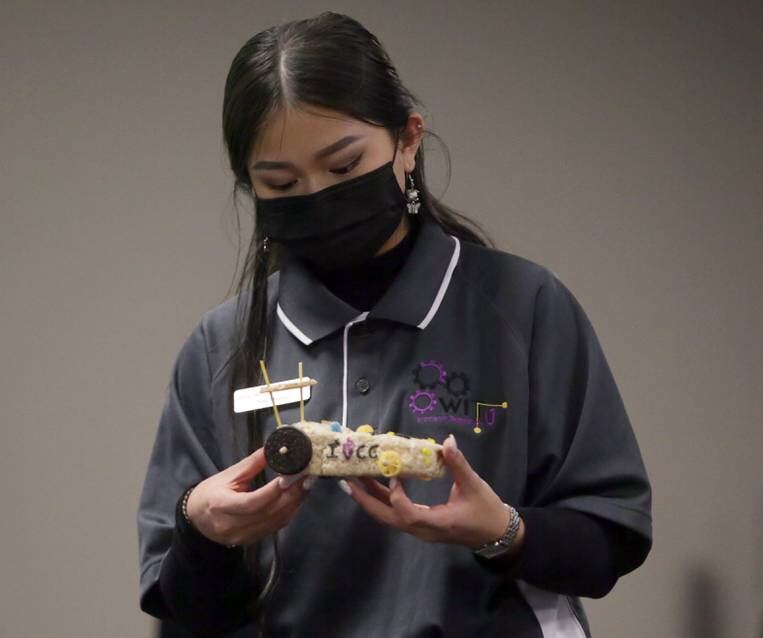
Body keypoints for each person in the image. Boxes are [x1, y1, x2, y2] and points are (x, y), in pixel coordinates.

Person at [137, 11, 653, 638]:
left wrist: (503, 532)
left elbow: (610, 537)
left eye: (345, 167)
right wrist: (203, 529)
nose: (317, 196)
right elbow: (183, 606)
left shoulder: (526, 308)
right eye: (281, 182)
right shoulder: (218, 346)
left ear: (408, 140)